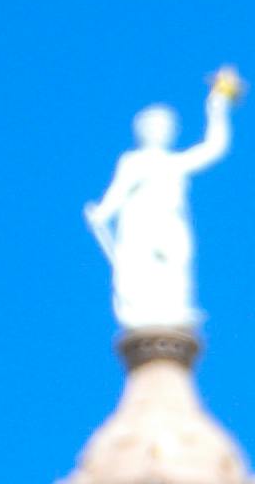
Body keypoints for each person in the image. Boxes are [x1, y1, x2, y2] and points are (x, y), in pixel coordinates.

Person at [84, 70, 241, 331]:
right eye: (156, 127)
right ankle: (143, 318)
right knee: (140, 274)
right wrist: (102, 212)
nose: (161, 131)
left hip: (171, 222)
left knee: (175, 274)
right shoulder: (134, 161)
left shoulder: (174, 163)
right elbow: (118, 192)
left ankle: (172, 318)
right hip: (140, 224)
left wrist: (218, 110)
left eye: (166, 127)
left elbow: (214, 148)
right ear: (143, 131)